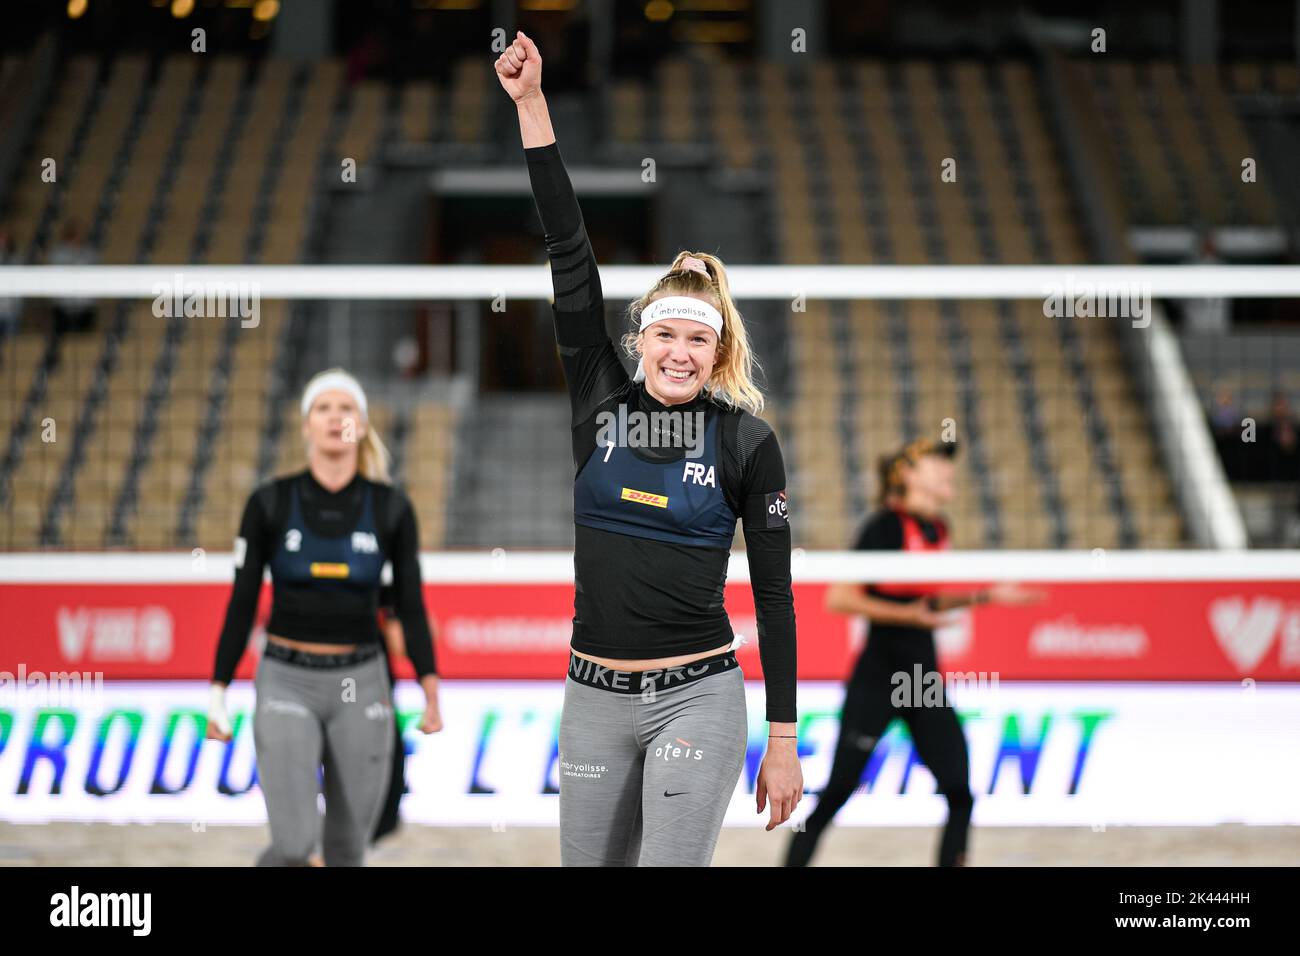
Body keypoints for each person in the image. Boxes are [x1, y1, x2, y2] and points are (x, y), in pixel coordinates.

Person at [499, 30, 802, 866]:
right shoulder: (598, 397)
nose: (678, 352)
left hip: (697, 698)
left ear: (718, 352)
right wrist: (533, 108)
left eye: (696, 340)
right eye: (663, 333)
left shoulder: (747, 441)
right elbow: (569, 251)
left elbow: (774, 599)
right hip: (590, 695)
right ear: (637, 343)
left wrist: (784, 737)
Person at [206, 368, 443, 866]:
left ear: (362, 424)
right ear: (305, 426)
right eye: (323, 409)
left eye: (346, 409)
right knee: (293, 845)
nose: (335, 418)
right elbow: (242, 601)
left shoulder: (391, 509)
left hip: (360, 681)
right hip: (286, 678)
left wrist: (429, 690)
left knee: (346, 851)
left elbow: (411, 604)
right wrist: (218, 692)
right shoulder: (269, 502)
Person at [784, 438, 1042, 867]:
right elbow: (841, 598)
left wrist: (985, 595)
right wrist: (910, 617)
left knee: (960, 791)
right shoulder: (884, 526)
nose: (947, 469)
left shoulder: (938, 529)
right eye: (935, 462)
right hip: (878, 677)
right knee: (836, 793)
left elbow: (927, 603)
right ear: (905, 475)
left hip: (922, 680)